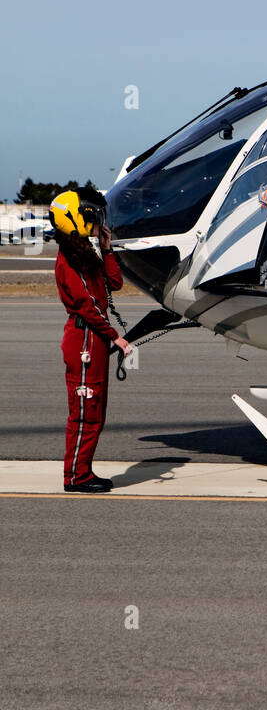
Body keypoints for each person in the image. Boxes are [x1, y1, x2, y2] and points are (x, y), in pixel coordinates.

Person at [50, 189, 132, 493]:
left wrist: (107, 249)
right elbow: (87, 304)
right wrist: (116, 337)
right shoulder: (71, 259)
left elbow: (114, 284)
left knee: (94, 411)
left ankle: (82, 471)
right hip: (85, 339)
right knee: (85, 411)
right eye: (93, 217)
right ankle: (75, 477)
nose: (99, 221)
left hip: (93, 339)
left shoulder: (84, 252)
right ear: (77, 219)